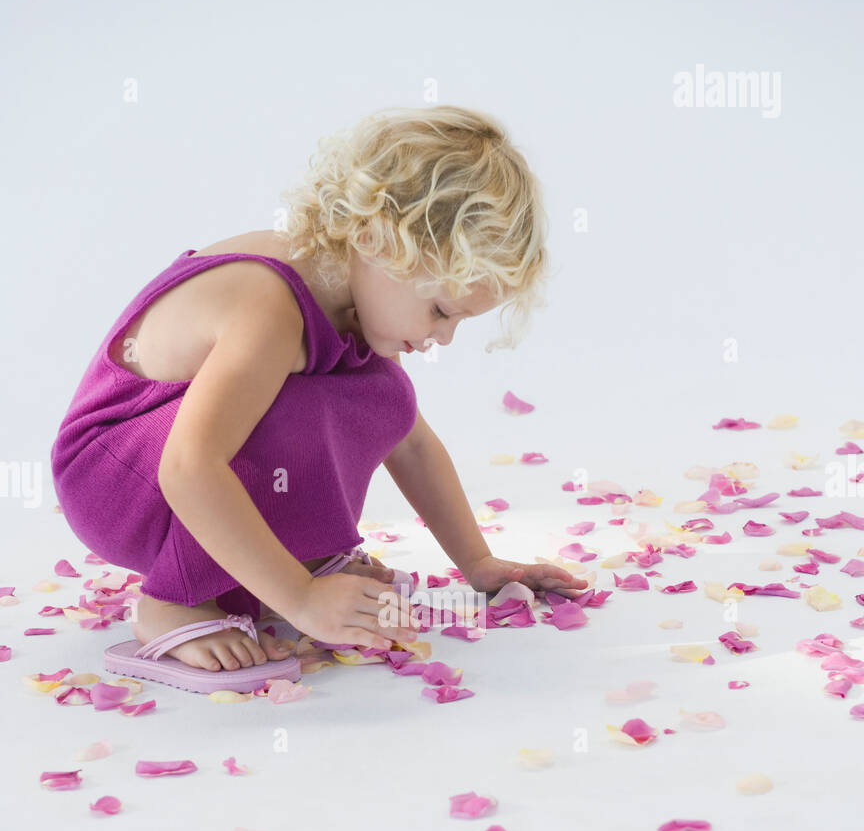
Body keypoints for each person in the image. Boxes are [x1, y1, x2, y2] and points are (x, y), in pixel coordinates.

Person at [50, 104, 586, 675]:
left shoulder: (347, 302)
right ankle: (172, 601)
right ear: (375, 238)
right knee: (296, 409)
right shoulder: (270, 307)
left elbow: (412, 444)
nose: (444, 338)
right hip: (113, 478)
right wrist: (300, 601)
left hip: (176, 465)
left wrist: (478, 564)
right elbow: (189, 466)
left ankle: (294, 556)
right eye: (439, 311)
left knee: (385, 395)